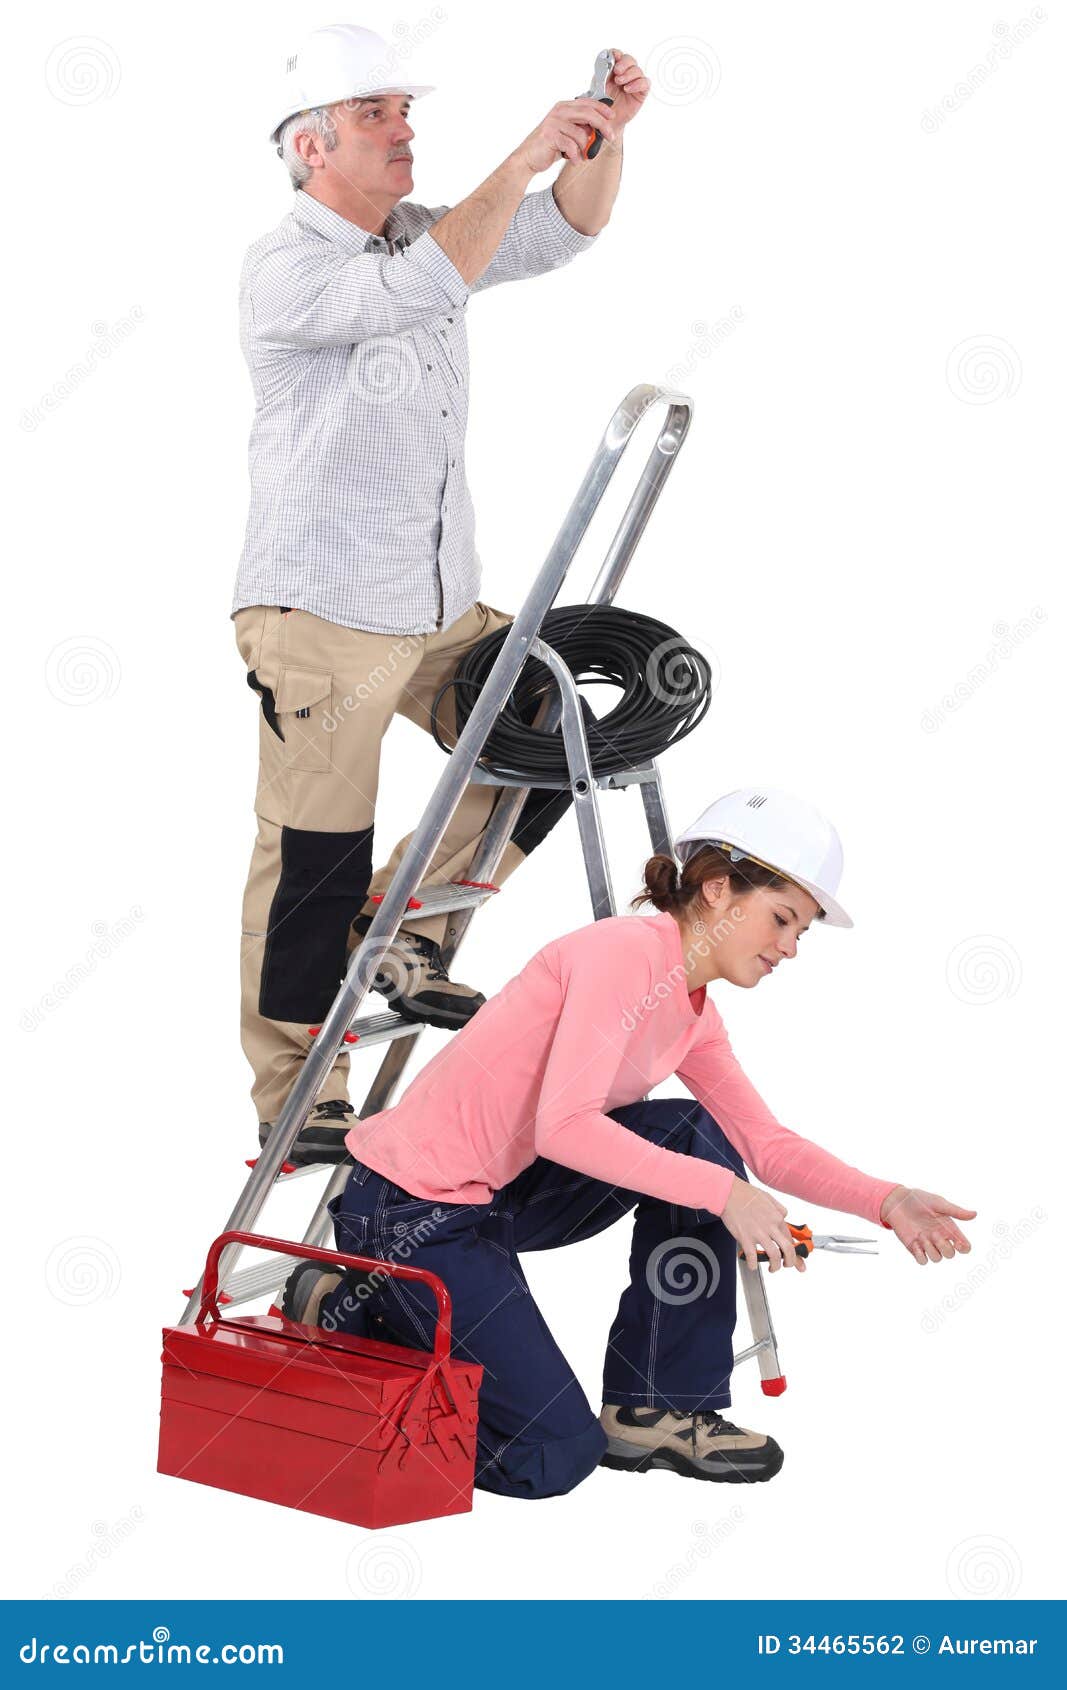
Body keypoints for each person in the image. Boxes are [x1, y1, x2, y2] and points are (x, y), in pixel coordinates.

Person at [280, 786, 978, 1496]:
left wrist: (885, 1200)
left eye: (799, 932)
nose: (790, 948)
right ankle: (358, 1317)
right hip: (407, 1213)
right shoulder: (623, 954)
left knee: (692, 1130)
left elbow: (764, 1144)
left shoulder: (694, 1011)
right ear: (716, 890)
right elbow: (565, 1125)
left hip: (499, 1197)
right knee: (554, 1455)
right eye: (781, 919)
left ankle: (655, 1405)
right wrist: (723, 1193)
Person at [231, 24, 650, 1157]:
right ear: (313, 146)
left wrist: (597, 138)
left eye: (403, 112)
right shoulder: (287, 267)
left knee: (557, 726)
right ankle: (296, 1094)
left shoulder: (426, 233)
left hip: (434, 606)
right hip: (320, 615)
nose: (405, 126)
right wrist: (520, 154)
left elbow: (568, 229)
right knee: (312, 856)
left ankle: (401, 923)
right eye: (380, 114)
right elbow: (425, 283)